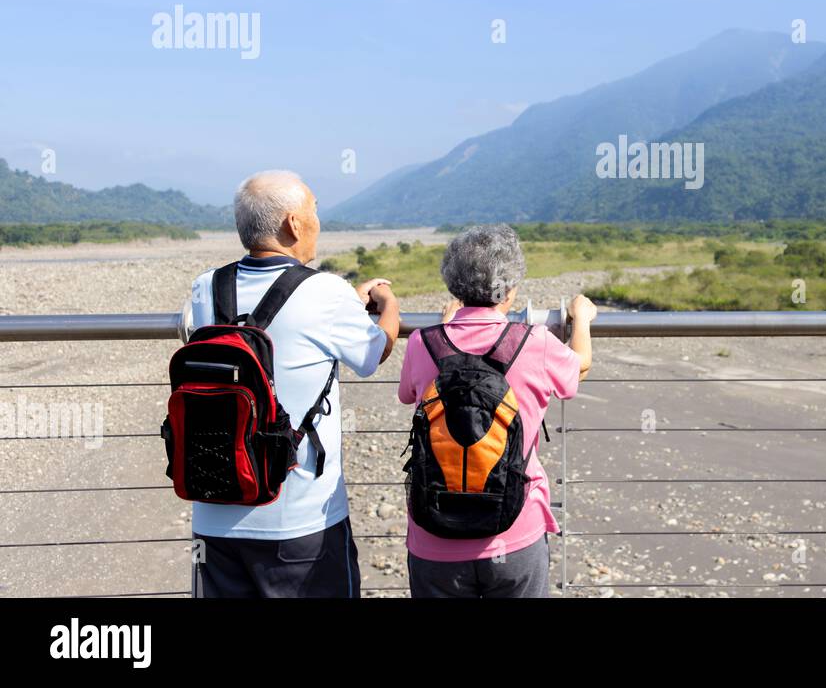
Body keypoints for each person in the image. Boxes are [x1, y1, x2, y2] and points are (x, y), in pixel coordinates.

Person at [188, 170, 400, 597]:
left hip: (212, 516)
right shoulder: (326, 291)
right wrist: (386, 304)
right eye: (314, 209)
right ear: (293, 224)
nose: (318, 219)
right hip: (299, 525)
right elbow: (375, 352)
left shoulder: (204, 286)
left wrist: (342, 303)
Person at [399, 223, 596, 597]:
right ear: (511, 288)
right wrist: (581, 318)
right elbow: (579, 367)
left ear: (452, 285)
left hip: (434, 538)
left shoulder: (423, 342)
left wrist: (444, 328)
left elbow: (408, 395)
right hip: (515, 531)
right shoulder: (534, 342)